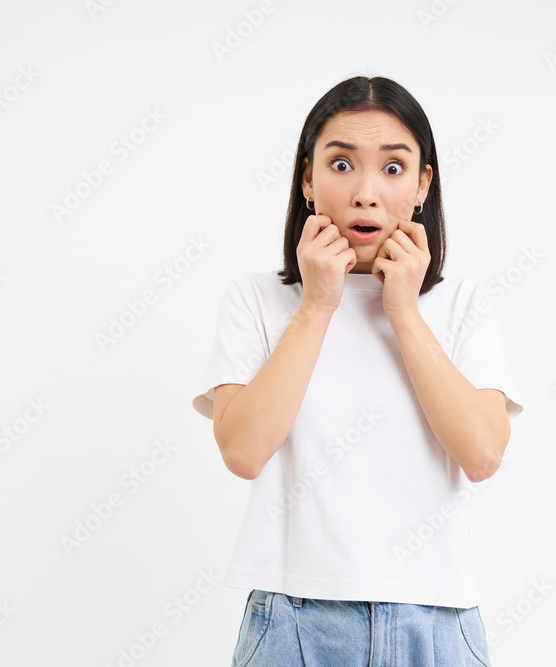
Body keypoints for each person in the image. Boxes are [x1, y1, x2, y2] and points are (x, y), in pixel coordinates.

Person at [192, 75, 524, 666]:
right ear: (307, 179)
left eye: (393, 169)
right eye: (341, 164)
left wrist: (403, 308)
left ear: (423, 184)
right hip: (292, 619)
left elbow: (482, 454)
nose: (366, 193)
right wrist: (319, 303)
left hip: (436, 619)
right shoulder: (256, 300)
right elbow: (242, 451)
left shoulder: (460, 303)